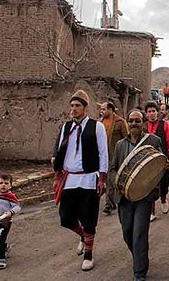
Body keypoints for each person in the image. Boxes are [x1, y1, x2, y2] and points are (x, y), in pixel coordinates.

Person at [52, 89, 108, 272]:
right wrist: (57, 172)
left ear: (85, 108)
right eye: (72, 106)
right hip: (69, 178)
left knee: (88, 216)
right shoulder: (66, 127)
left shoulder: (96, 126)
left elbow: (103, 153)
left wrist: (103, 178)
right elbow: (60, 149)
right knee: (66, 217)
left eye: (77, 106)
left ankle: (89, 255)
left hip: (89, 178)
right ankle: (84, 237)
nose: (74, 109)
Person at [111, 109, 163, 281]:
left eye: (137, 121)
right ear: (127, 122)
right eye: (131, 121)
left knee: (139, 233)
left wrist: (154, 190)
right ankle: (140, 258)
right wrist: (116, 185)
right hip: (124, 198)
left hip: (144, 197)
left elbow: (161, 167)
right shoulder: (120, 145)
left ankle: (139, 272)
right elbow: (113, 169)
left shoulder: (153, 141)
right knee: (127, 232)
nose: (134, 124)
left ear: (143, 123)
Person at [144, 101, 169, 219]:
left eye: (153, 111)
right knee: (150, 185)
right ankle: (151, 211)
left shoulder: (164, 124)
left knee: (164, 182)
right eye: (149, 111)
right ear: (146, 114)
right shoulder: (144, 126)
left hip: (162, 158)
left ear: (157, 112)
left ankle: (164, 198)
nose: (151, 113)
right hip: (147, 160)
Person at [100, 102, 129, 215]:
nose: (101, 111)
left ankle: (111, 202)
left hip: (116, 155)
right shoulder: (100, 122)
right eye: (101, 109)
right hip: (103, 155)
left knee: (113, 180)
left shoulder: (120, 122)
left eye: (104, 109)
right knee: (107, 179)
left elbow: (127, 138)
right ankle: (110, 203)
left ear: (111, 110)